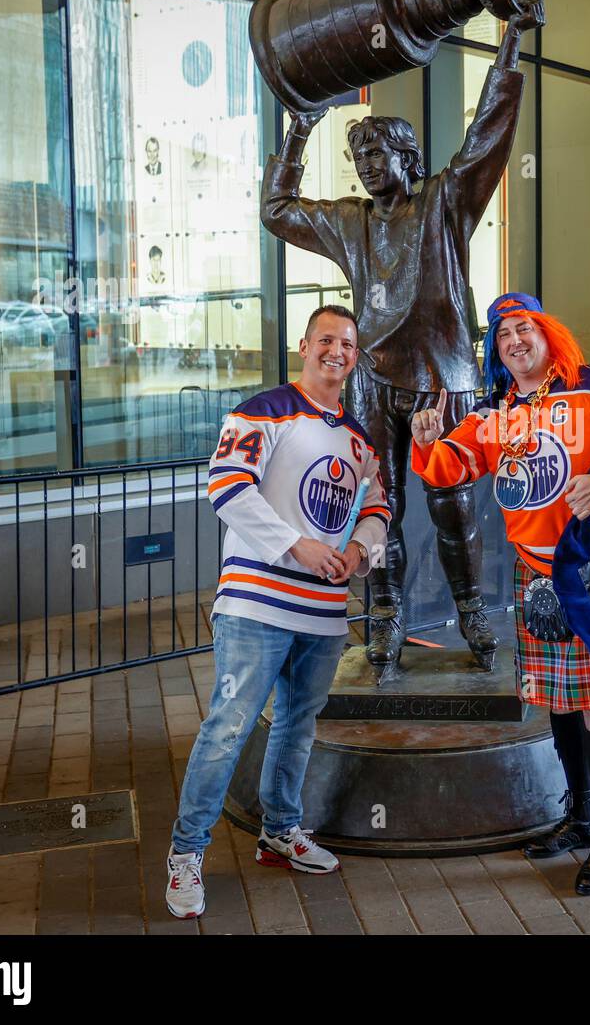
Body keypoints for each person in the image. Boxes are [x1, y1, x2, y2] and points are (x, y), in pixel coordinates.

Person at [258, 10, 542, 678]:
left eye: (374, 154)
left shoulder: (446, 201)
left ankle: (473, 612)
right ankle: (384, 620)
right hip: (376, 385)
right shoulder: (349, 222)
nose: (363, 166)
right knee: (377, 509)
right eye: (357, 158)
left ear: (408, 158)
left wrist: (511, 40)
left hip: (444, 382)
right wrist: (299, 131)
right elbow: (276, 211)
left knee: (453, 509)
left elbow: (488, 133)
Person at [410, 293, 590, 896]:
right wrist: (426, 440)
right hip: (537, 576)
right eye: (503, 336)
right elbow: (451, 467)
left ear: (549, 333)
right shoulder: (497, 412)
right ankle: (578, 816)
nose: (514, 342)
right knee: (557, 701)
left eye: (523, 329)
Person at [165, 305, 390, 919]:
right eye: (326, 340)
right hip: (257, 602)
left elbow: (378, 510)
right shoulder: (264, 409)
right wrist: (299, 545)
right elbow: (226, 486)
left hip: (322, 611)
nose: (336, 351)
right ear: (304, 346)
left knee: (297, 723)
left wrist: (357, 554)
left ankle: (280, 832)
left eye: (347, 343)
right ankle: (187, 854)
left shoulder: (360, 439)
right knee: (229, 726)